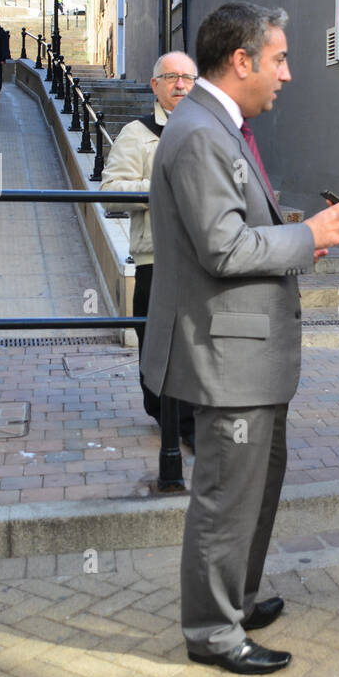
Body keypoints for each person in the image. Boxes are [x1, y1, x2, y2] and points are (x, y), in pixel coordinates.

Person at [141, 2, 339, 675]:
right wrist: (313, 235)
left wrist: (298, 237)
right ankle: (213, 630)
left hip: (246, 355)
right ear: (241, 62)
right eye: (279, 59)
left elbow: (240, 230)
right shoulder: (200, 134)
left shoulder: (216, 124)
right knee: (227, 494)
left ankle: (237, 595)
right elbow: (222, 247)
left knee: (257, 484)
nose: (289, 74)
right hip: (227, 356)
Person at [100, 50, 200, 453]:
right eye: (171, 77)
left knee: (199, 346)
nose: (180, 85)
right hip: (156, 261)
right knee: (157, 347)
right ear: (154, 85)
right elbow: (109, 194)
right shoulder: (136, 134)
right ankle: (168, 419)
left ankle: (189, 424)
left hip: (205, 260)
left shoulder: (210, 130)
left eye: (188, 78)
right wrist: (162, 187)